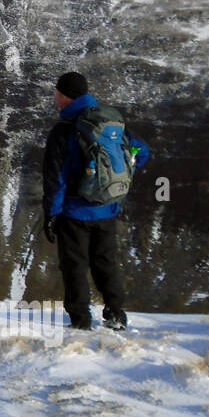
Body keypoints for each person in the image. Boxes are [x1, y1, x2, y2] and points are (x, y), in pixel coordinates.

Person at [41, 71, 149, 331]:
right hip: (107, 209)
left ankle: (80, 321)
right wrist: (118, 181)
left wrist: (51, 214)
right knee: (106, 263)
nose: (55, 98)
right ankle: (115, 315)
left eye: (57, 94)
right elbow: (141, 151)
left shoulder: (64, 131)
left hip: (75, 212)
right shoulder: (110, 124)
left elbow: (56, 179)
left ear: (65, 96)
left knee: (75, 266)